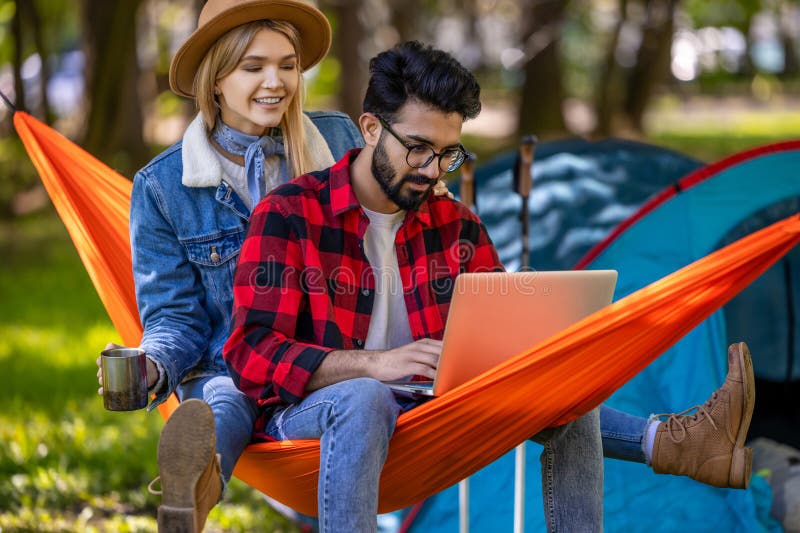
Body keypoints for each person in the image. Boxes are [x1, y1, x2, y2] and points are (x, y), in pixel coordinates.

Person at [223, 41, 755, 532]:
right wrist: (374, 364)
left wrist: (540, 345)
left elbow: (499, 345)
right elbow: (250, 353)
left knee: (563, 389)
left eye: (448, 154)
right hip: (314, 419)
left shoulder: (456, 225)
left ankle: (669, 443)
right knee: (365, 396)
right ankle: (665, 442)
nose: (432, 171)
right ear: (368, 129)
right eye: (418, 149)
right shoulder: (289, 214)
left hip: (430, 415)